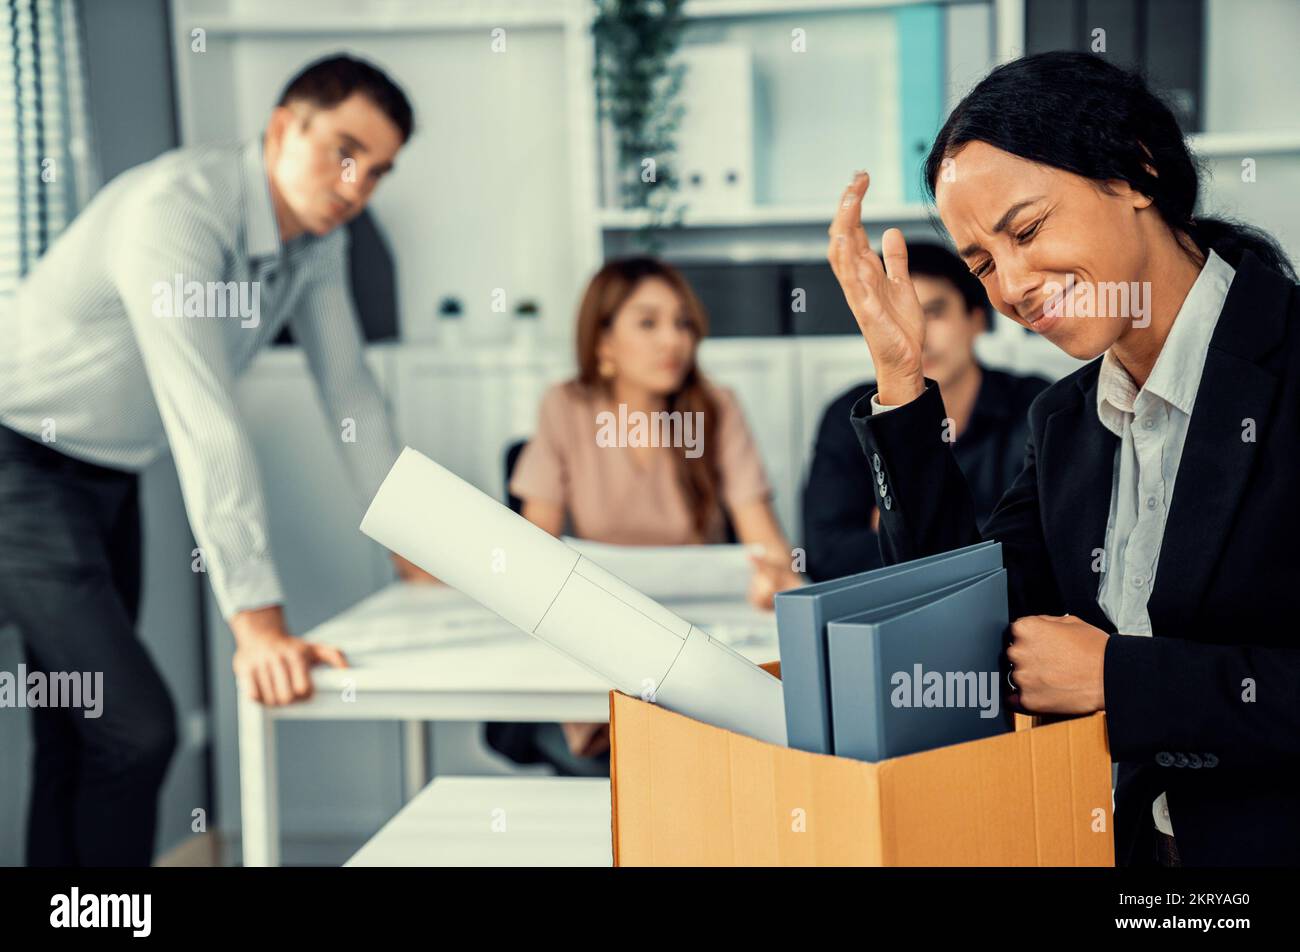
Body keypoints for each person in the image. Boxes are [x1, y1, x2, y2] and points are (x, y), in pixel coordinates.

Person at [827, 51, 1300, 867]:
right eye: (981, 263)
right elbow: (959, 633)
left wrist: (1124, 680)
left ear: (1136, 173)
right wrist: (904, 382)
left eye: (1027, 229)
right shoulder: (1069, 422)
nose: (1009, 286)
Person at [0, 54, 432, 866]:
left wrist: (415, 551)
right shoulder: (178, 211)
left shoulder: (315, 241)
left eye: (375, 172)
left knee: (78, 732)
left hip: (106, 472)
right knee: (136, 728)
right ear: (283, 127)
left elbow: (353, 397)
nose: (355, 185)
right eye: (343, 152)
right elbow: (205, 417)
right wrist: (259, 625)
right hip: (16, 463)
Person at [499, 256, 803, 770]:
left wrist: (775, 577)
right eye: (648, 323)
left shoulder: (716, 407)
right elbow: (533, 556)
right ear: (602, 342)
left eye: (682, 323)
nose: (673, 341)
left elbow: (767, 547)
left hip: (699, 635)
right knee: (638, 757)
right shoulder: (565, 408)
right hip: (600, 635)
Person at [803, 241, 1048, 581]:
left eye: (933, 313)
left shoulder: (1035, 405)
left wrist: (894, 529)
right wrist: (973, 532)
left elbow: (1043, 546)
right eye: (895, 317)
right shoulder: (848, 414)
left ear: (976, 319)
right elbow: (825, 552)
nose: (915, 335)